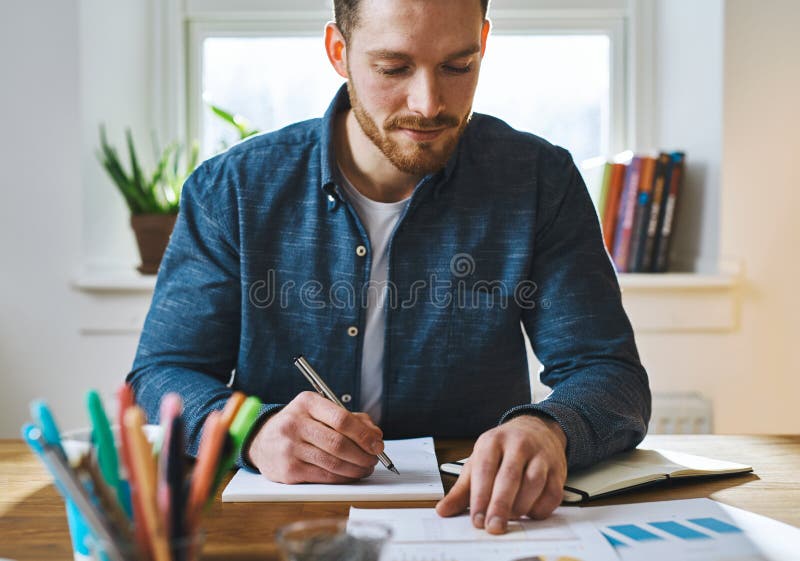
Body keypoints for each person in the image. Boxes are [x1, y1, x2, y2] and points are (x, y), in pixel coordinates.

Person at [128, 0, 651, 535]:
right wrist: (254, 434)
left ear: (483, 44)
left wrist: (549, 429)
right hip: (279, 523)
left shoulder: (540, 182)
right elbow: (164, 371)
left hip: (475, 523)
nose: (428, 105)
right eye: (393, 68)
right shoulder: (232, 190)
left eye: (457, 66)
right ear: (339, 51)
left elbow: (610, 374)